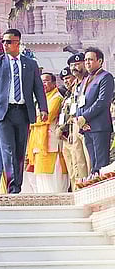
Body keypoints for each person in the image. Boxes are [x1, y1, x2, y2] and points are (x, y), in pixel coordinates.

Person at [0, 28, 49, 194]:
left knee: (20, 150)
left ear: (18, 43)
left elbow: (38, 87)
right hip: (3, 113)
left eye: (9, 41)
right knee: (8, 149)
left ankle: (17, 184)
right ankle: (12, 187)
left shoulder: (30, 64)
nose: (5, 44)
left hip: (23, 111)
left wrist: (43, 108)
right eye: (4, 41)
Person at [25, 71, 69, 193]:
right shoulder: (40, 100)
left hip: (51, 144)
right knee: (40, 177)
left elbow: (47, 117)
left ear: (54, 83)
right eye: (41, 82)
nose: (43, 84)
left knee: (53, 176)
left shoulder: (56, 97)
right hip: (38, 143)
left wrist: (30, 120)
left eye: (46, 81)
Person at [78, 46, 114, 177]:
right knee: (93, 163)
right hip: (86, 126)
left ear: (100, 61)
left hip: (99, 126)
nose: (87, 62)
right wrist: (79, 119)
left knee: (101, 163)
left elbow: (102, 101)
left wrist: (85, 117)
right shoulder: (85, 79)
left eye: (91, 60)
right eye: (86, 60)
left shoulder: (106, 77)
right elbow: (80, 102)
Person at [60, 57, 91, 188]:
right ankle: (78, 189)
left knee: (87, 161)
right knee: (76, 162)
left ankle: (88, 187)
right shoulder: (74, 88)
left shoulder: (89, 81)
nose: (74, 68)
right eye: (72, 65)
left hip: (85, 124)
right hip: (73, 127)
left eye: (78, 64)